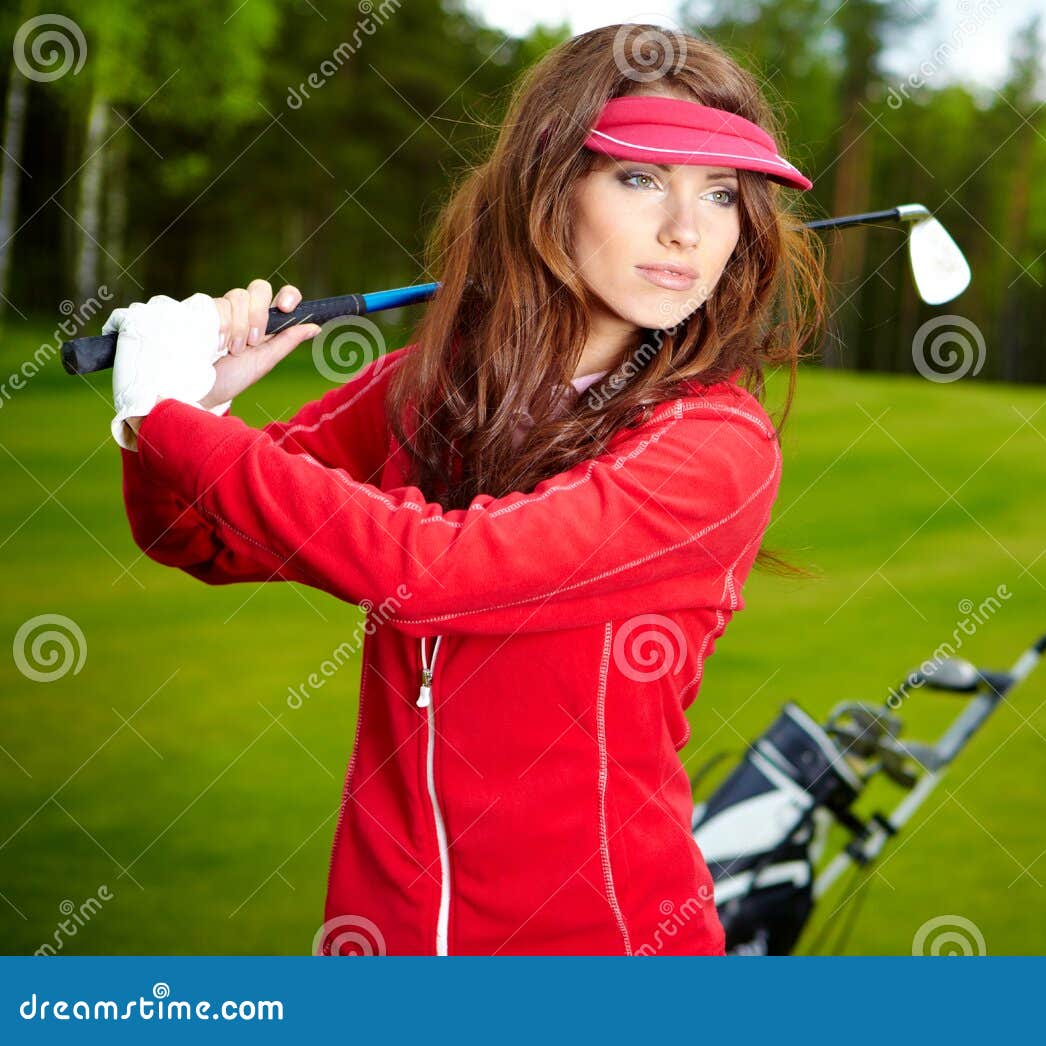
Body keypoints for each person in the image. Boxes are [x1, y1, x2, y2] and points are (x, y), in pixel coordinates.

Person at [110, 23, 826, 956]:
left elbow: (435, 574)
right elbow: (197, 537)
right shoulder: (428, 387)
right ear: (548, 187)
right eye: (640, 178)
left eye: (721, 194)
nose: (687, 230)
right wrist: (197, 406)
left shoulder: (716, 446)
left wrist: (167, 418)